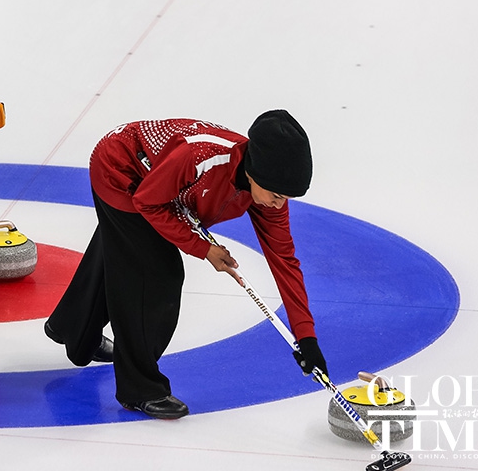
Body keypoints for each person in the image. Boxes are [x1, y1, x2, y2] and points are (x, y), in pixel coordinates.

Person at [44, 110, 327, 420]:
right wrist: (203, 249)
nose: (279, 204)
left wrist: (306, 338)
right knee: (156, 274)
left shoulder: (267, 191)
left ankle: (71, 326)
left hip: (160, 189)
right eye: (276, 195)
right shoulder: (201, 158)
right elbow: (147, 201)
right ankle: (139, 388)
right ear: (253, 172)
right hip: (121, 172)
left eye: (286, 198)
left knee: (120, 247)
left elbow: (285, 261)